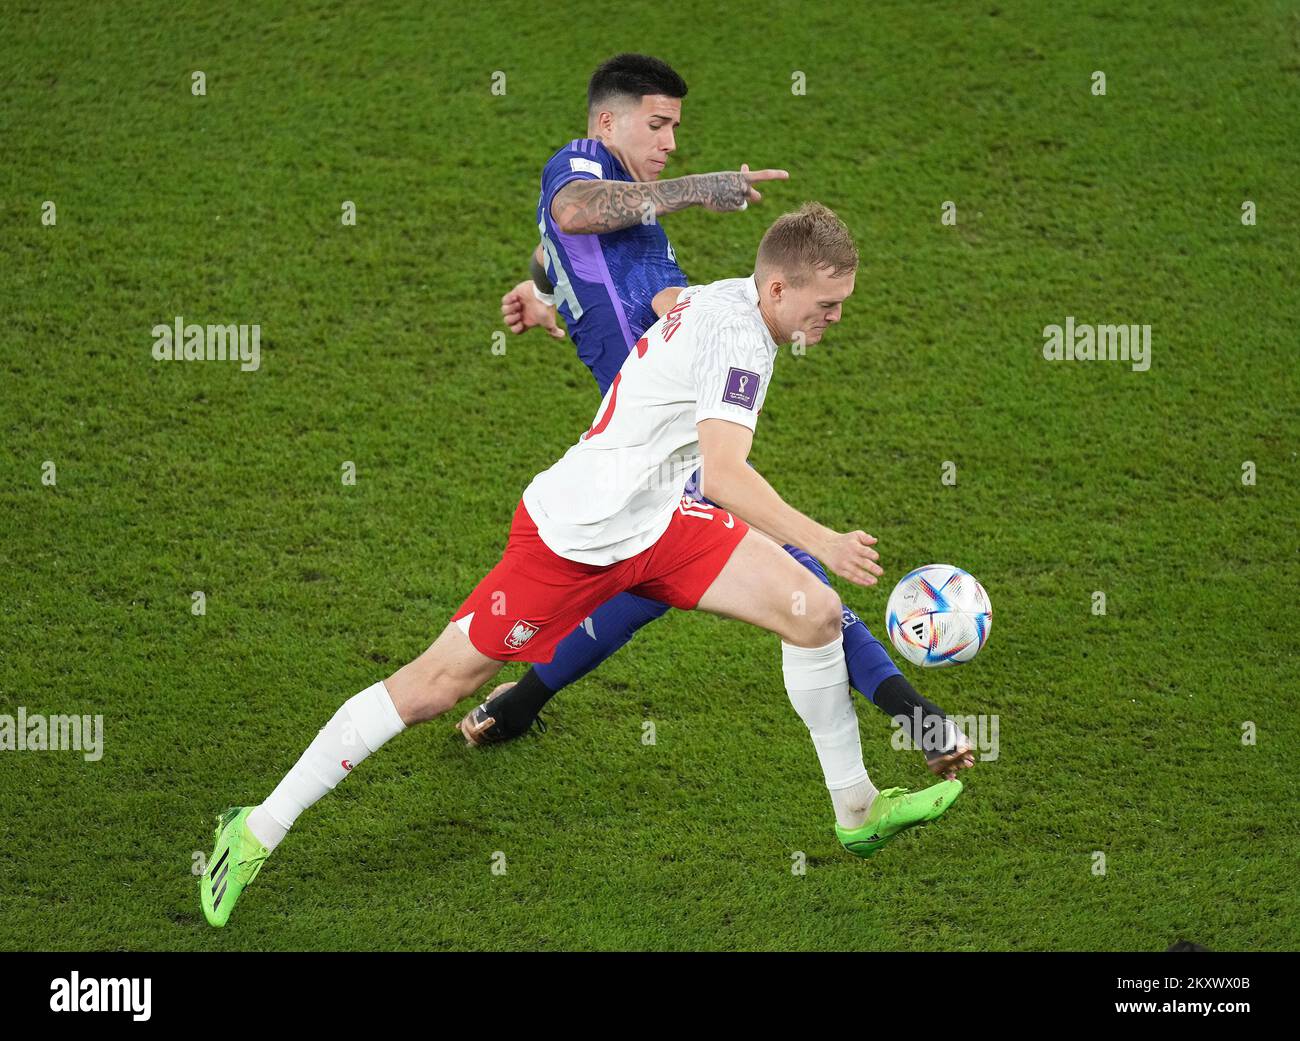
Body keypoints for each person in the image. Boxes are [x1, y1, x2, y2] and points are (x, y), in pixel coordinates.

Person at [199, 204, 964, 928]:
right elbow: (726, 476)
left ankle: (856, 808)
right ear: (777, 290)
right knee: (434, 687)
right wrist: (825, 540)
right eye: (827, 305)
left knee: (814, 612)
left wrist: (547, 295)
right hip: (574, 539)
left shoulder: (731, 299)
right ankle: (257, 826)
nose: (836, 317)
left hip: (660, 523)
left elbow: (642, 312)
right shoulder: (740, 338)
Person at [474, 53, 975, 781]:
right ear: (607, 123)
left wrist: (541, 290)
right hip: (654, 441)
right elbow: (577, 214)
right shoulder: (582, 169)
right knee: (795, 569)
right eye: (658, 124)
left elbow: (561, 241)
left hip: (648, 442)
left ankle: (519, 702)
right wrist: (700, 192)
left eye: (676, 127)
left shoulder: (623, 210)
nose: (671, 142)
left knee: (653, 584)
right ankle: (918, 717)